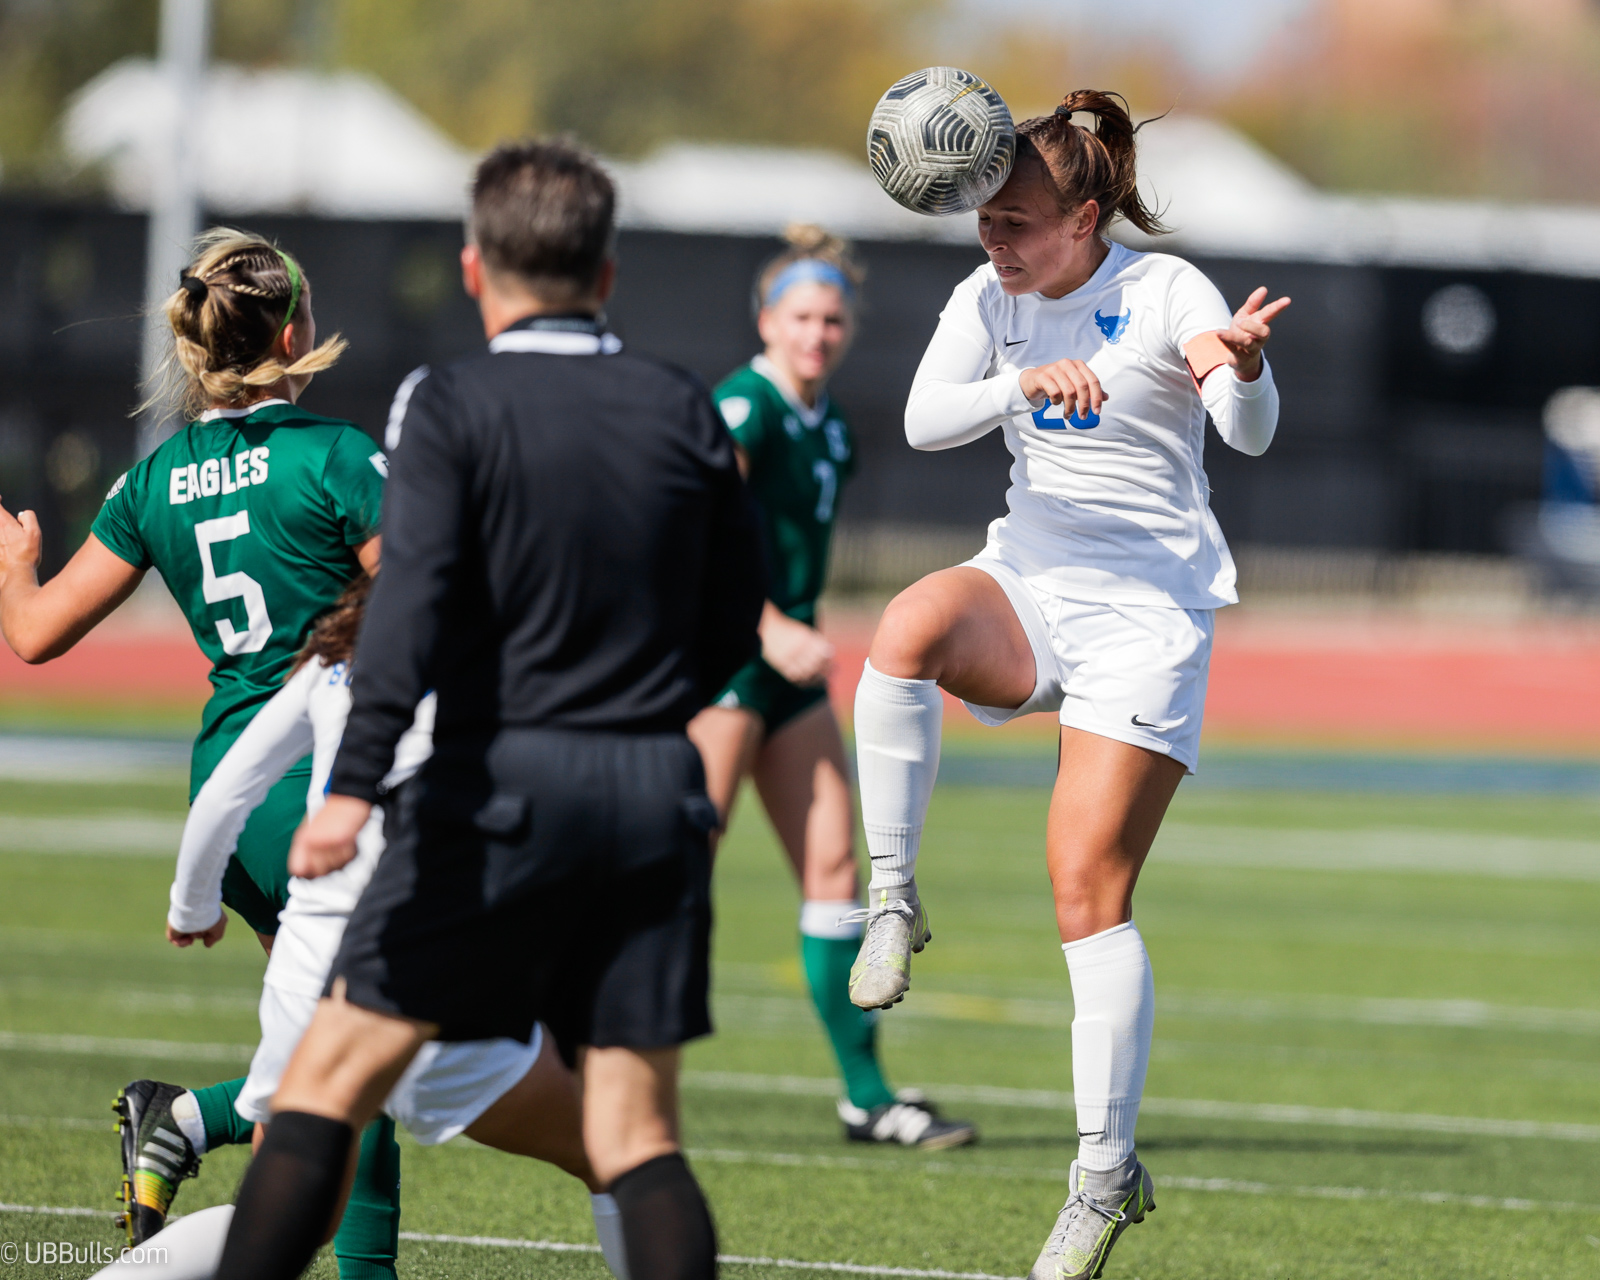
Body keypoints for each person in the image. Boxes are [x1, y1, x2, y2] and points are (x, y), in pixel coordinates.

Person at [209, 138, 764, 1280]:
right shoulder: (684, 408)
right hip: (649, 801)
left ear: (474, 270)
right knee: (634, 1135)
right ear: (607, 274)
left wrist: (351, 787)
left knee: (323, 1086)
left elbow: (406, 610)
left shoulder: (448, 400)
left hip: (488, 791)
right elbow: (729, 625)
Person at [844, 92, 1289, 1280]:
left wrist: (1238, 369)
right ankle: (893, 892)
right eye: (985, 220)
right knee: (904, 625)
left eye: (1021, 224)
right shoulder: (985, 297)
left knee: (1084, 890)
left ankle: (1103, 1172)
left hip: (1148, 619)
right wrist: (1023, 387)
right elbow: (924, 416)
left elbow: (1244, 430)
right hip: (1030, 583)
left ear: (1087, 217)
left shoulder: (1165, 289)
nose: (997, 242)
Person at [0, 229, 403, 1278]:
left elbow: (35, 632)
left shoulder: (157, 478)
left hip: (234, 795)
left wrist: (14, 564)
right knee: (356, 1086)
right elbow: (422, 607)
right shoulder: (336, 454)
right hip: (329, 787)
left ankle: (180, 1119)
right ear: (296, 330)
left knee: (328, 1091)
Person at [149, 574, 628, 1279]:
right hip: (429, 985)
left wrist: (191, 908)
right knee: (618, 1158)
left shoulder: (331, 657)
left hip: (309, 978)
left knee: (285, 1221)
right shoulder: (510, 654)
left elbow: (225, 794)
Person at [688, 224, 974, 1150]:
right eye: (803, 316)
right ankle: (571, 1057)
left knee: (838, 879)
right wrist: (767, 626)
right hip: (727, 666)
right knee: (673, 876)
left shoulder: (832, 423)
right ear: (767, 319)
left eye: (833, 318)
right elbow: (691, 533)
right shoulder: (746, 408)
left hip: (786, 681)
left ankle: (866, 1095)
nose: (819, 333)